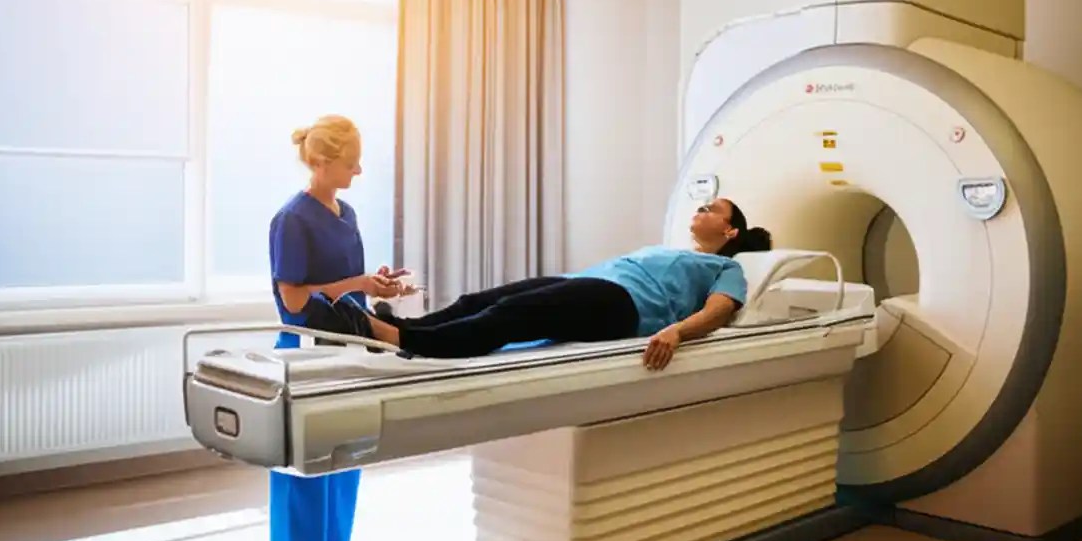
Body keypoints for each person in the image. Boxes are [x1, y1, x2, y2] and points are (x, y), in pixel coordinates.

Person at [311, 197, 770, 371]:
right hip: (592, 282)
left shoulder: (726, 269)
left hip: (626, 306)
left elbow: (720, 310)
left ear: (730, 233)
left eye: (714, 209)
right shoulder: (675, 250)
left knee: (511, 316)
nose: (703, 209)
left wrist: (675, 331)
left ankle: (394, 337)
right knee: (481, 299)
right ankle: (410, 333)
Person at [267, 114, 412, 541]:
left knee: (346, 455)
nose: (359, 171)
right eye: (351, 164)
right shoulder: (291, 220)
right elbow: (292, 299)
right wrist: (356, 284)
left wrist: (381, 284)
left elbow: (349, 282)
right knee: (304, 465)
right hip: (307, 351)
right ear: (323, 163)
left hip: (347, 347)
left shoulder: (345, 213)